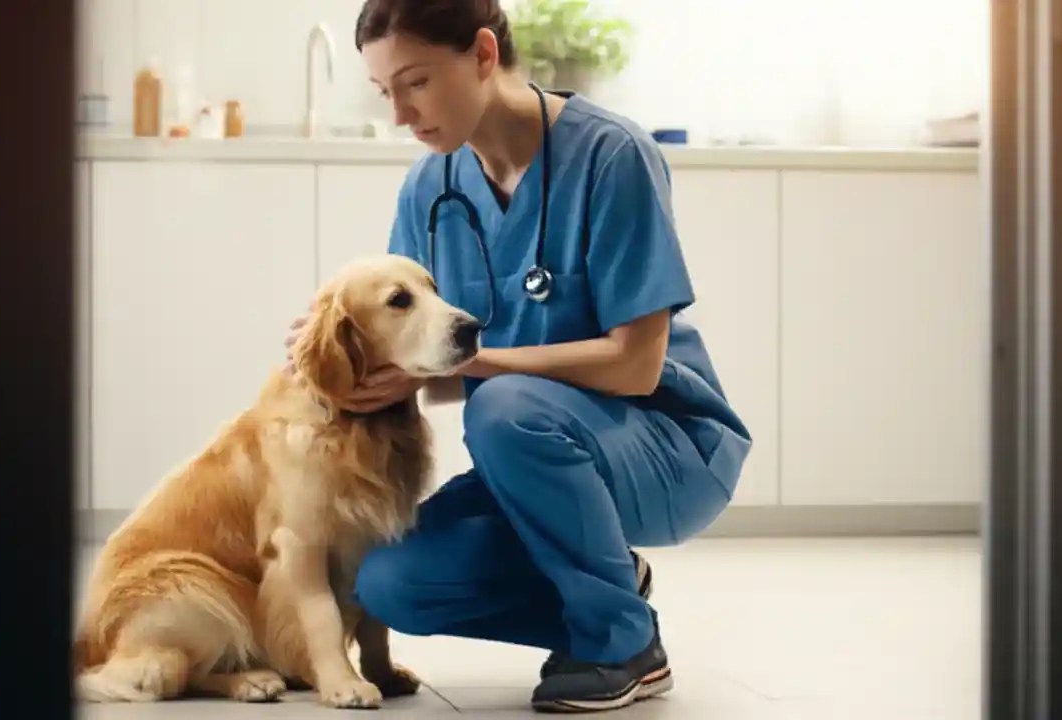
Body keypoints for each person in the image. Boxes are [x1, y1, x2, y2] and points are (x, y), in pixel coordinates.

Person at [284, 0, 751, 712]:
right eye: (386, 93)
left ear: (480, 54)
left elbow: (637, 366)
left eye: (416, 83)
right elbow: (427, 365)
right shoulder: (431, 188)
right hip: (529, 458)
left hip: (668, 447)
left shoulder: (611, 156)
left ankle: (620, 644)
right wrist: (354, 368)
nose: (401, 116)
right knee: (389, 582)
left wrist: (477, 367)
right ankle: (612, 590)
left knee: (504, 406)